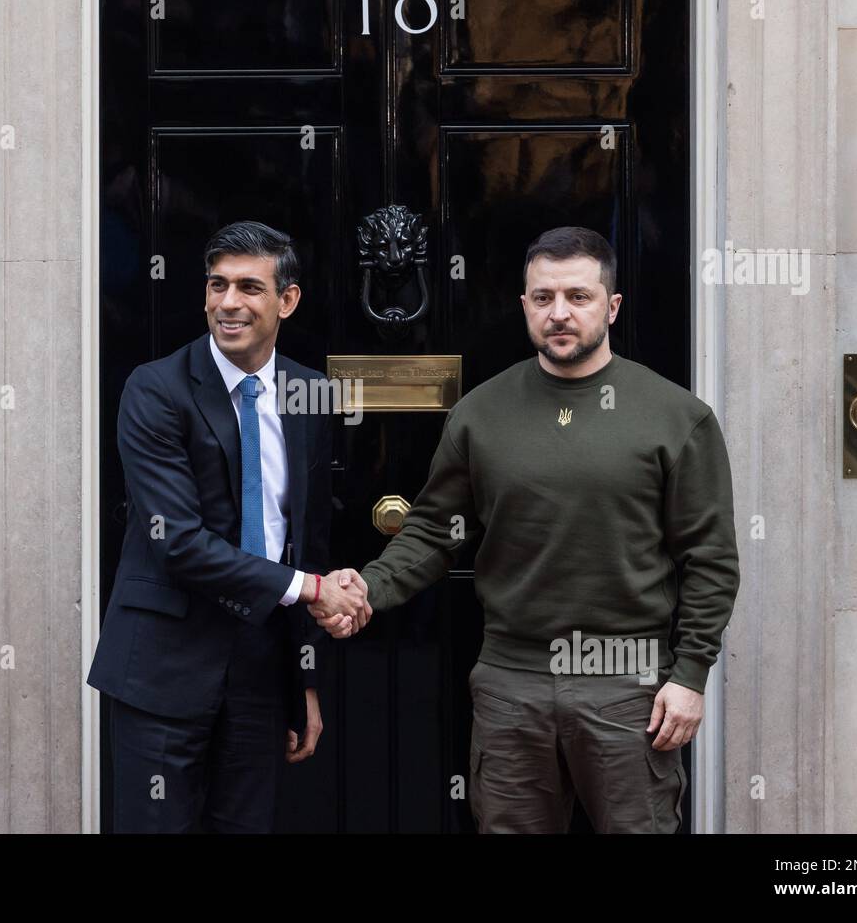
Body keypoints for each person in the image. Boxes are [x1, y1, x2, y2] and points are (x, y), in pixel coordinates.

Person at [313, 226, 740, 833]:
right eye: (543, 298)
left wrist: (690, 675)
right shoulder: (481, 413)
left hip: (628, 686)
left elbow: (711, 559)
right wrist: (367, 590)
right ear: (524, 305)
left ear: (611, 306)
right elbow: (435, 530)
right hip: (511, 682)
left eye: (578, 296)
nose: (559, 313)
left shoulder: (677, 418)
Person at [87, 220, 369, 833]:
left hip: (261, 672)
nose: (228, 303)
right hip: (162, 668)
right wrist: (316, 590)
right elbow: (178, 542)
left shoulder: (310, 393)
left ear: (287, 300)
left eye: (249, 287)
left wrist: (306, 679)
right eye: (218, 286)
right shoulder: (156, 388)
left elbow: (308, 540)